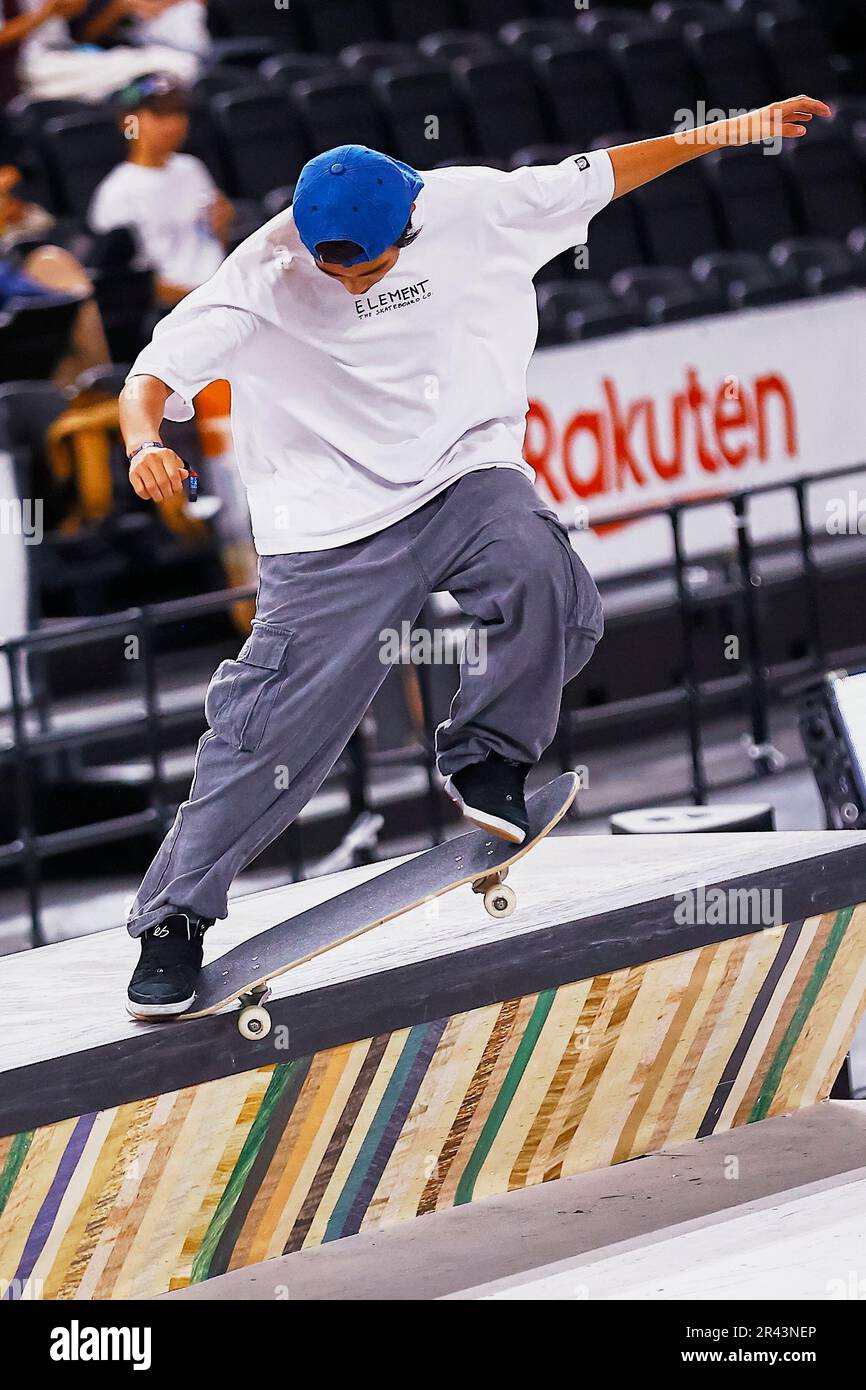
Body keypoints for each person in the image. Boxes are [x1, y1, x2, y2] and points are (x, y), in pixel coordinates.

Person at [119, 95, 830, 1018]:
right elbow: (154, 375)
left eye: (366, 267)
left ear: (409, 226)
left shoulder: (478, 206)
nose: (347, 284)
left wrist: (731, 128)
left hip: (463, 473)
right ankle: (172, 919)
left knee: (547, 584)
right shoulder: (261, 270)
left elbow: (612, 167)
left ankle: (485, 756)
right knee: (273, 729)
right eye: (329, 268)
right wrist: (143, 441)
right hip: (329, 523)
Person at [89, 72, 233, 306]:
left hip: (220, 291)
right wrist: (201, 299)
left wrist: (223, 226)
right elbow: (128, 284)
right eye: (159, 114)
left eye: (178, 112)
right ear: (130, 122)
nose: (173, 123)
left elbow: (209, 245)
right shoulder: (116, 193)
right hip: (174, 309)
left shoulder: (192, 168)